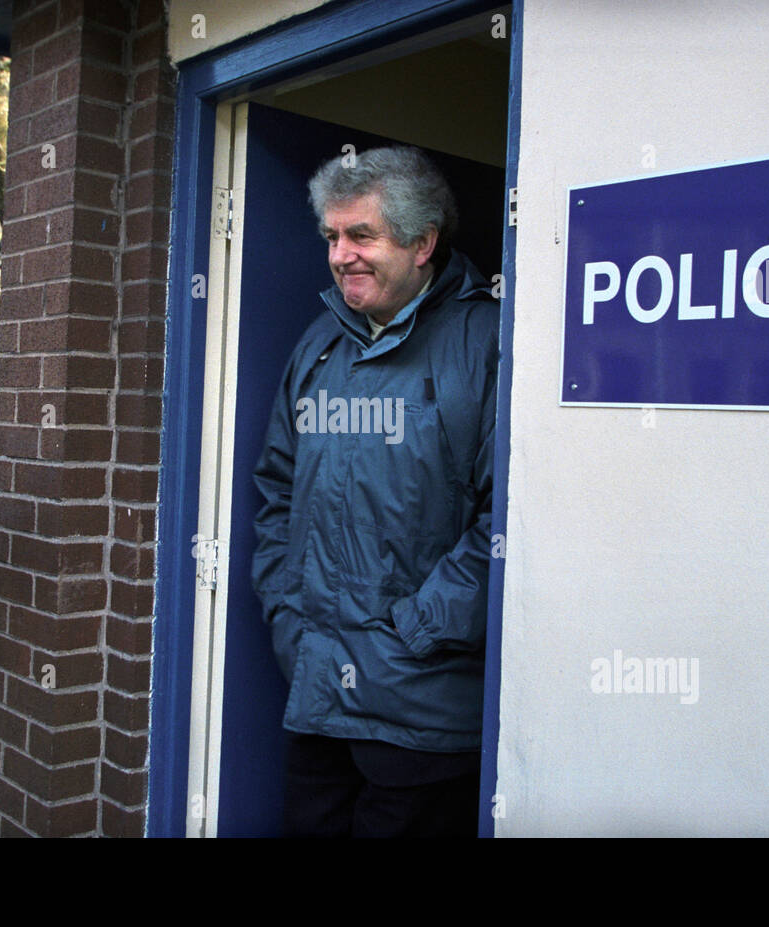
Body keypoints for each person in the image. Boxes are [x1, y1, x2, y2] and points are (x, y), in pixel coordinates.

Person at [251, 146, 500, 837]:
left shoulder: (489, 345)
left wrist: (411, 635)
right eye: (332, 236)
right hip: (317, 695)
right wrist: (287, 618)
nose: (340, 254)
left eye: (361, 235)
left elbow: (506, 525)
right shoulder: (318, 346)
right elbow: (275, 491)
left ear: (422, 243)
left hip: (421, 716)